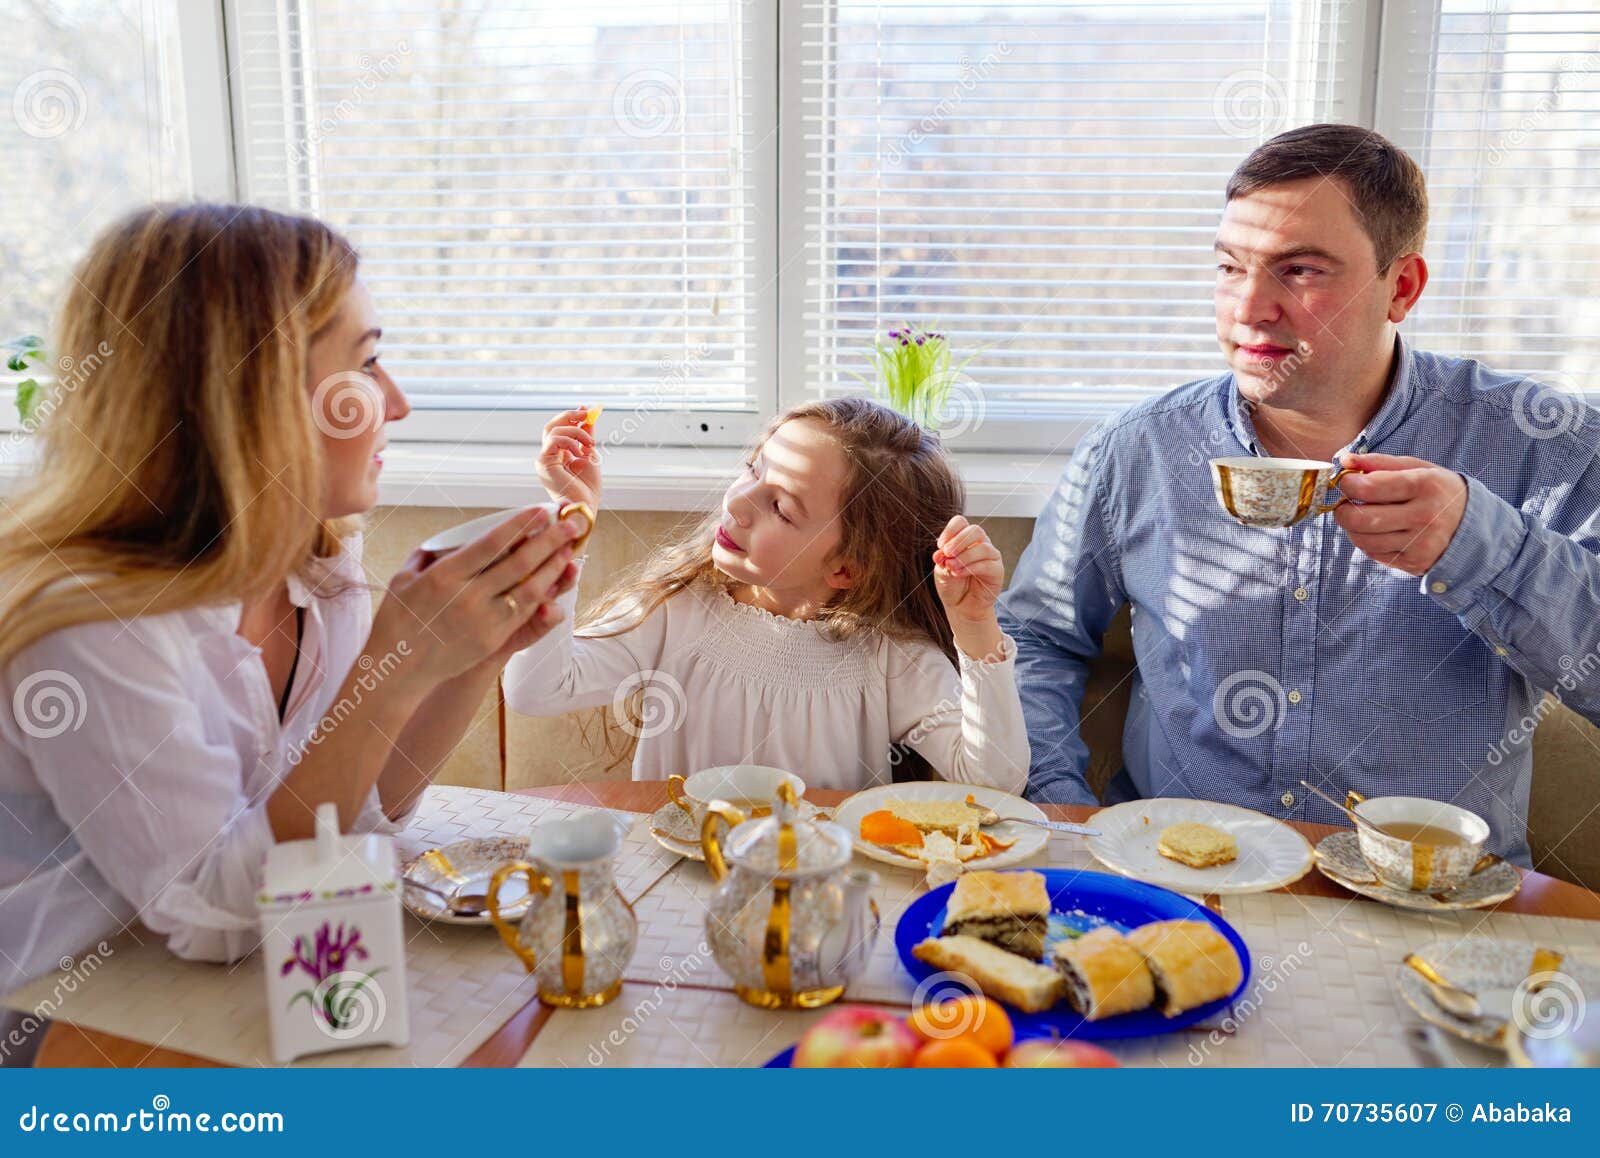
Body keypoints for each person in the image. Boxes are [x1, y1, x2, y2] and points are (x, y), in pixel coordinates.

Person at [0, 204, 583, 993]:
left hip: (215, 989)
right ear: (255, 392)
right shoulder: (95, 622)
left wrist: (472, 655)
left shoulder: (317, 561)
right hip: (64, 1021)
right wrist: (399, 662)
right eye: (368, 365)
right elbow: (223, 912)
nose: (398, 403)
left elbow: (360, 815)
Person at [997, 123, 1600, 864]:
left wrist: (1483, 545)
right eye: (1229, 268)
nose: (1249, 308)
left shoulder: (1544, 445)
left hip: (1435, 903)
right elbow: (1033, 638)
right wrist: (1063, 816)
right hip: (1178, 883)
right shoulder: (1136, 450)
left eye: (1301, 270)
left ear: (1402, 287)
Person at [503, 397, 1029, 793]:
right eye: (753, 468)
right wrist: (566, 528)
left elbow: (993, 785)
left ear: (847, 568)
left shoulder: (889, 657)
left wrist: (974, 626)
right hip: (679, 892)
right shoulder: (676, 609)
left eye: (781, 506)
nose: (737, 503)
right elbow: (536, 690)